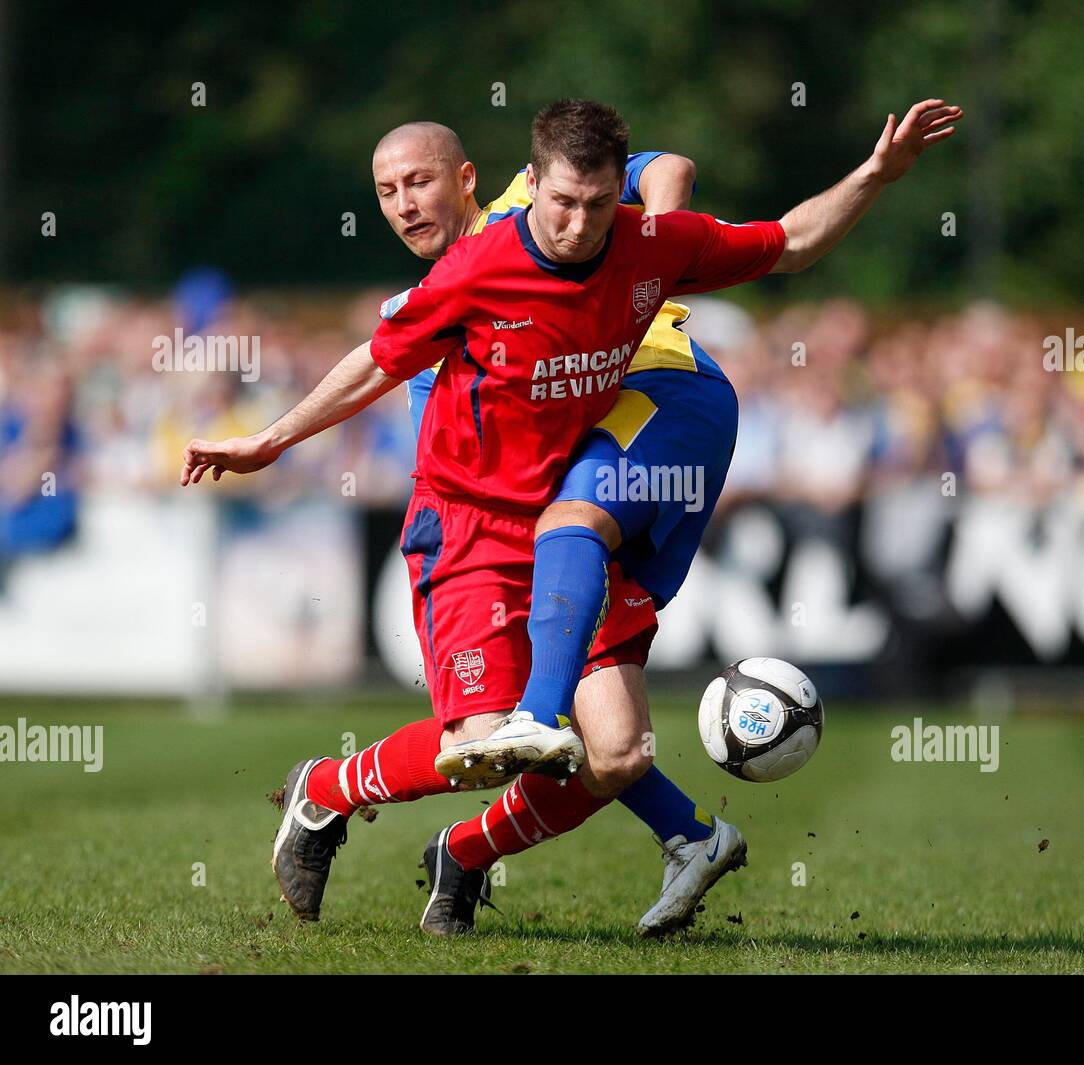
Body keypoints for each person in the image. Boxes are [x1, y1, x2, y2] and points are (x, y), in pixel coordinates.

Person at [182, 96, 962, 936]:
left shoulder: (583, 215)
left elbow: (758, 224)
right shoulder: (458, 284)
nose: (407, 202)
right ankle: (328, 789)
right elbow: (374, 362)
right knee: (481, 745)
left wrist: (875, 173)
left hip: (572, 509)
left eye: (421, 182)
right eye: (388, 190)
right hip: (476, 531)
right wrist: (271, 438)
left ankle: (479, 846)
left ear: (468, 177)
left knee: (617, 751)